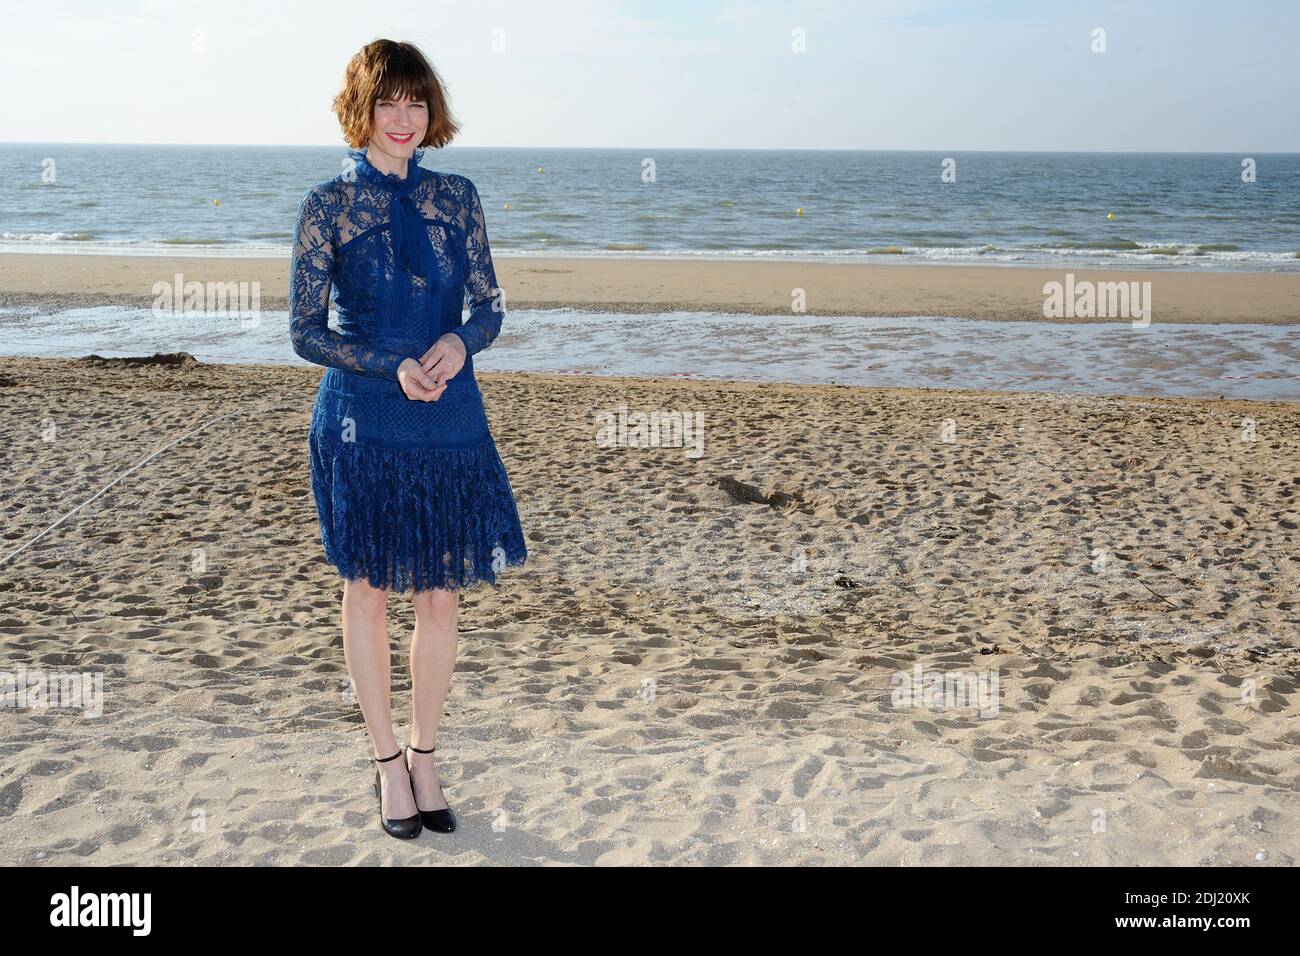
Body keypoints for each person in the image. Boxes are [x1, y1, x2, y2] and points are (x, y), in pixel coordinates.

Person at [289, 38, 527, 839]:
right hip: (362, 420)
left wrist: (462, 343)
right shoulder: (328, 206)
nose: (404, 118)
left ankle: (427, 754)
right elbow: (304, 331)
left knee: (441, 595)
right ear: (361, 109)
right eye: (388, 102)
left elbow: (490, 306)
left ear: (432, 111)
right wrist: (391, 364)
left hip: (451, 418)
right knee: (368, 590)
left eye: (416, 102)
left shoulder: (458, 196)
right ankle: (387, 763)